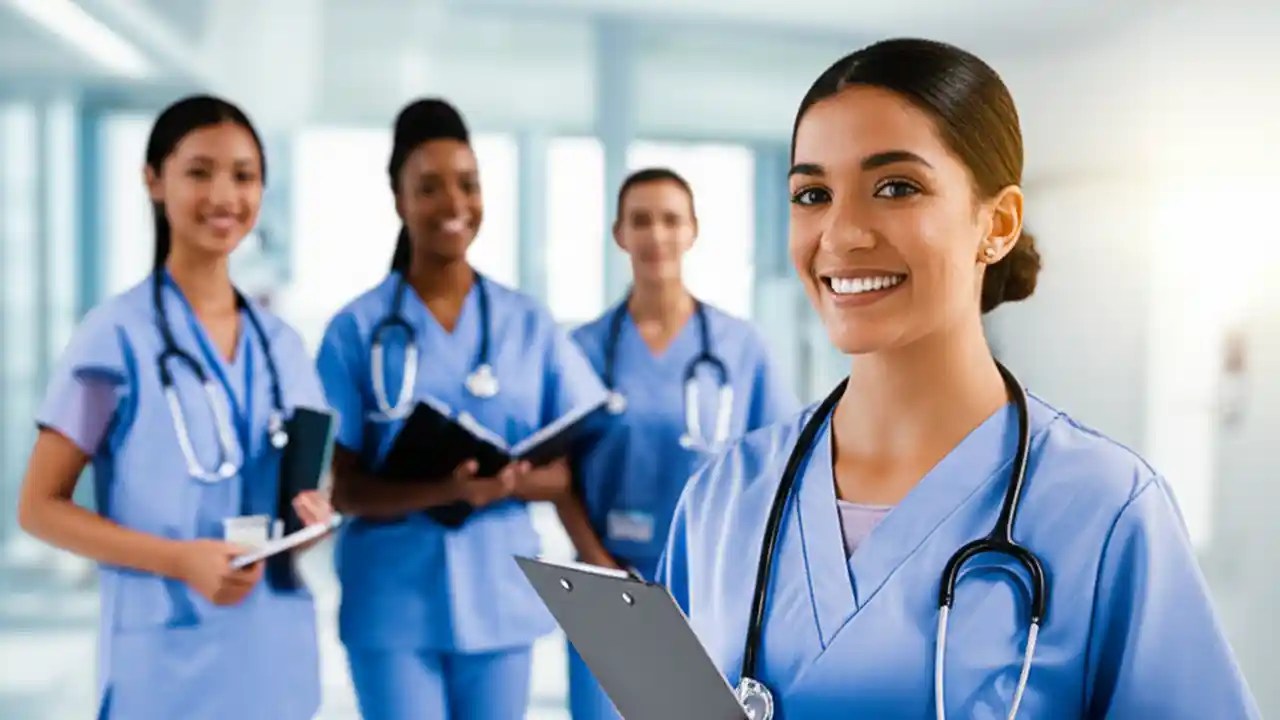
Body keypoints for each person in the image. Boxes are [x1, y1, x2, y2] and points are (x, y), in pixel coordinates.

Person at [655, 39, 1261, 718]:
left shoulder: (1104, 508)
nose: (842, 231)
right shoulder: (725, 501)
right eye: (812, 193)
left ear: (997, 224)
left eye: (896, 187)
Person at [16, 95, 335, 720]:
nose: (224, 195)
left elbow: (304, 490)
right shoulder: (114, 336)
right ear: (153, 180)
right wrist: (177, 559)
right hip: (162, 664)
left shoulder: (284, 348)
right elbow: (38, 508)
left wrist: (312, 515)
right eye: (199, 171)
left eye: (243, 176)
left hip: (272, 655)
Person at [315, 98, 607, 720]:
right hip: (392, 606)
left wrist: (504, 485)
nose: (454, 204)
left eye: (468, 185)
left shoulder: (526, 322)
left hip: (500, 601)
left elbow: (563, 472)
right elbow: (344, 490)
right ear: (398, 200)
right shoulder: (356, 329)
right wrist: (442, 489)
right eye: (429, 188)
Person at [556, 167, 798, 720]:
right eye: (640, 220)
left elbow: (775, 469)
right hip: (604, 581)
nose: (656, 235)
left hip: (711, 583)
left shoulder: (740, 346)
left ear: (692, 231)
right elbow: (556, 474)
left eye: (670, 220)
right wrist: (601, 565)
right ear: (619, 234)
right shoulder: (585, 348)